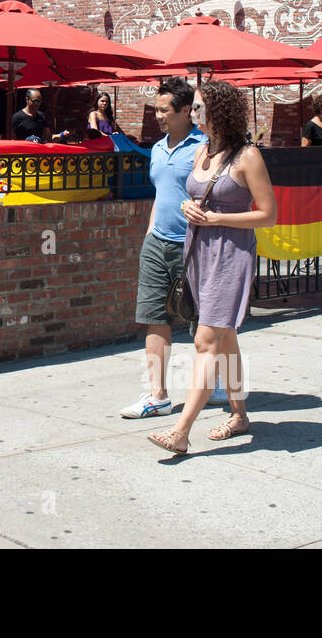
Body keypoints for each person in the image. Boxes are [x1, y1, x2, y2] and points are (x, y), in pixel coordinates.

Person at [149, 80, 277, 456]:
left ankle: (181, 431)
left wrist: (218, 218)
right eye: (193, 107)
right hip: (199, 251)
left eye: (200, 107)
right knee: (226, 340)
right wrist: (191, 210)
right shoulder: (201, 153)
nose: (194, 113)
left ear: (220, 111)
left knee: (206, 341)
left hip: (230, 255)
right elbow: (196, 198)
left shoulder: (248, 156)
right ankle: (239, 415)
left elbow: (268, 215)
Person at [121, 78, 229, 419]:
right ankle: (158, 396)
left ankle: (214, 385)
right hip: (158, 243)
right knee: (154, 317)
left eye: (164, 110)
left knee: (205, 322)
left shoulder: (206, 147)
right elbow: (161, 194)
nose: (158, 116)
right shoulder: (156, 149)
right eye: (156, 109)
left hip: (196, 245)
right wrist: (150, 232)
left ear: (186, 111)